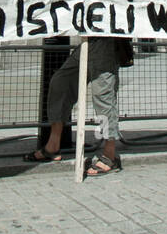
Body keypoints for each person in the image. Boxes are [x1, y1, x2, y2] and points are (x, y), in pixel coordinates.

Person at [24, 36, 126, 176]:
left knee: (103, 97)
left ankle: (110, 154)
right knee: (60, 83)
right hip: (87, 43)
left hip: (106, 44)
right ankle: (53, 145)